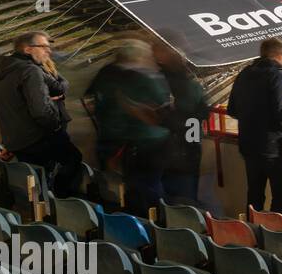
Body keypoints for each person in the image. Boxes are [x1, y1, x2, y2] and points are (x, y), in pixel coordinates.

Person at [86, 39, 173, 214]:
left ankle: (132, 217)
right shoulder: (144, 77)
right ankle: (154, 222)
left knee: (133, 184)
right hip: (143, 141)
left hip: (118, 138)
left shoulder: (106, 72)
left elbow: (89, 98)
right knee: (148, 185)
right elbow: (161, 111)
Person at [227, 38, 282, 213]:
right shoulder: (277, 76)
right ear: (280, 56)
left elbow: (232, 110)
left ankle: (253, 234)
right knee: (280, 196)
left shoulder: (245, 73)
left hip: (249, 147)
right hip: (274, 150)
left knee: (254, 195)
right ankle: (275, 235)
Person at [0, 31, 84, 197]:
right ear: (28, 50)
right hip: (38, 139)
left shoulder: (3, 71)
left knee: (36, 180)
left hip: (17, 141)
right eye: (43, 47)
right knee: (72, 160)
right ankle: (58, 203)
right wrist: (56, 127)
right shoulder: (30, 71)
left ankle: (44, 210)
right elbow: (41, 111)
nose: (48, 51)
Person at [152, 39, 210, 204]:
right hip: (184, 150)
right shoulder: (189, 86)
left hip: (169, 148)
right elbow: (200, 113)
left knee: (169, 195)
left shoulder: (160, 81)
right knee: (184, 197)